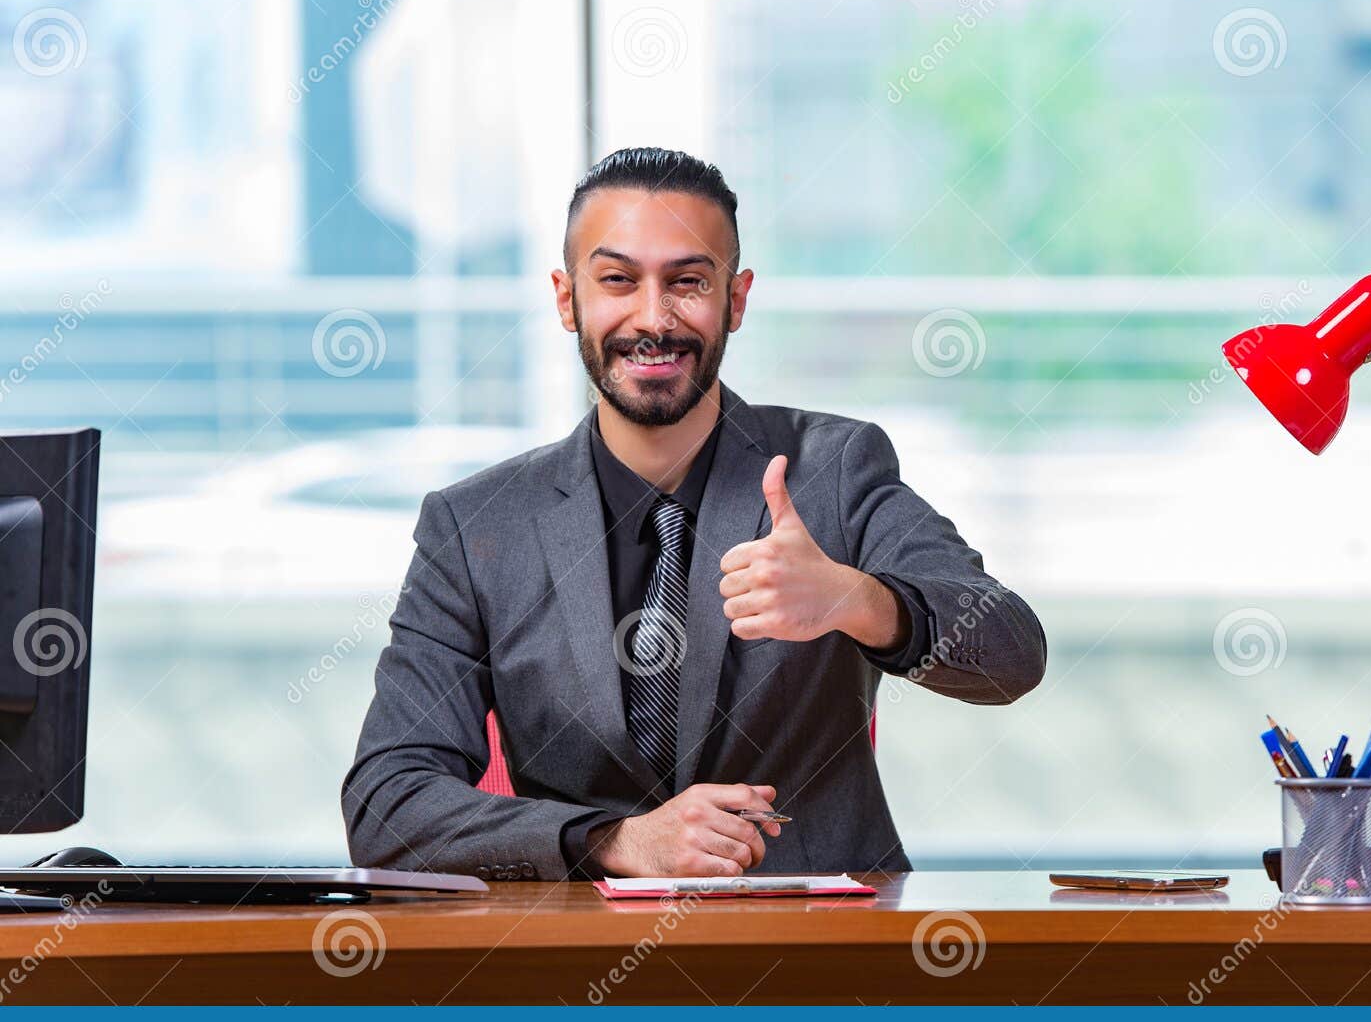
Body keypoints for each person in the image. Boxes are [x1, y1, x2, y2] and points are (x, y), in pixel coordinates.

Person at [342, 147, 1047, 880]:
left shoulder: (833, 470)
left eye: (688, 282)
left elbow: (1013, 658)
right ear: (566, 298)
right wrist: (616, 841)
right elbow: (386, 807)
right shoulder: (478, 526)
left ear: (736, 300)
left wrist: (858, 600)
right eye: (618, 280)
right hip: (578, 943)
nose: (654, 318)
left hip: (823, 938)